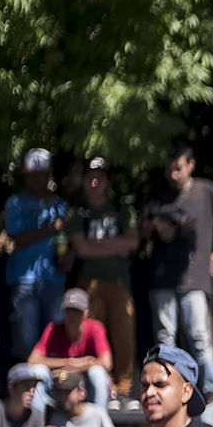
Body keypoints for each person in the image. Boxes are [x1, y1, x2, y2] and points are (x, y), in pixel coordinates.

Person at [144, 144, 213, 399]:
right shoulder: (157, 196)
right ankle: (166, 388)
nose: (173, 174)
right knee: (165, 339)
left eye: (178, 168)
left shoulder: (206, 190)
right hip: (162, 280)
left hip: (194, 278)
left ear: (190, 165)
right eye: (169, 169)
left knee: (200, 337)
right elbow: (137, 232)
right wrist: (155, 223)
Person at [65, 156, 138, 405]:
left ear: (107, 180)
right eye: (89, 177)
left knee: (124, 335)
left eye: (99, 177)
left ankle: (125, 389)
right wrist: (115, 246)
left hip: (119, 283)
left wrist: (97, 244)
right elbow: (81, 249)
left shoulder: (121, 208)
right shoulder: (78, 212)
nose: (94, 182)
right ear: (84, 180)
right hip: (89, 284)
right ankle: (103, 388)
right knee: (95, 336)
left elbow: (132, 242)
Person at [4, 148, 70, 359]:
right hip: (25, 279)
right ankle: (26, 386)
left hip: (55, 279)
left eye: (39, 174)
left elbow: (72, 240)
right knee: (26, 337)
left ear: (49, 173)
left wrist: (71, 256)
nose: (35, 179)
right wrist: (50, 227)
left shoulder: (61, 205)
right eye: (31, 175)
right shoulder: (15, 203)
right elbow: (20, 239)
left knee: (55, 336)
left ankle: (55, 388)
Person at [30, 288, 113, 410]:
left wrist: (70, 368)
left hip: (83, 385)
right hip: (61, 382)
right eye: (68, 311)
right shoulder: (53, 329)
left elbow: (106, 363)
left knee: (98, 373)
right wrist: (71, 363)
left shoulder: (95, 328)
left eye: (77, 311)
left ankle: (98, 419)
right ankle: (37, 423)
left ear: (86, 312)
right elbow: (32, 360)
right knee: (38, 371)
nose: (72, 316)